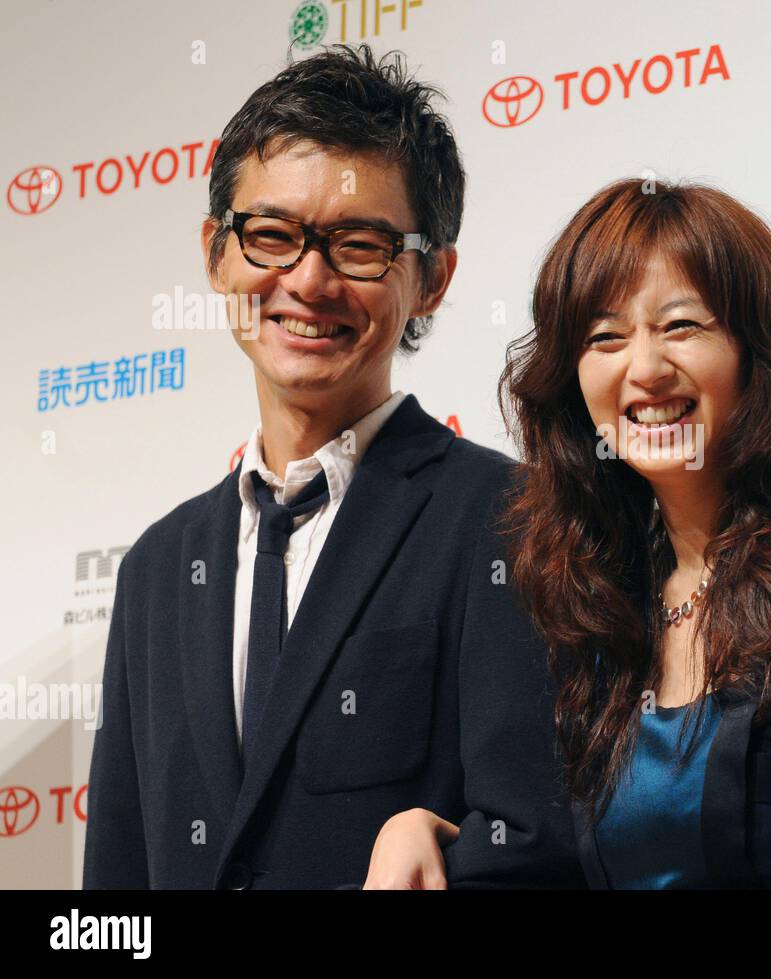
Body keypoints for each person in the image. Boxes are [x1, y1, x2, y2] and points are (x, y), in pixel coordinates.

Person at [84, 44, 582, 889]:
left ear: (431, 277)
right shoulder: (156, 570)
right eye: (271, 235)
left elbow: (540, 840)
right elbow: (117, 883)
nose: (308, 281)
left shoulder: (510, 518)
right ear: (216, 253)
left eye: (359, 245)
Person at [366, 178, 771, 888]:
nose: (643, 367)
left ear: (756, 354)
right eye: (604, 336)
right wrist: (418, 826)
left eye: (681, 325)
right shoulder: (595, 610)